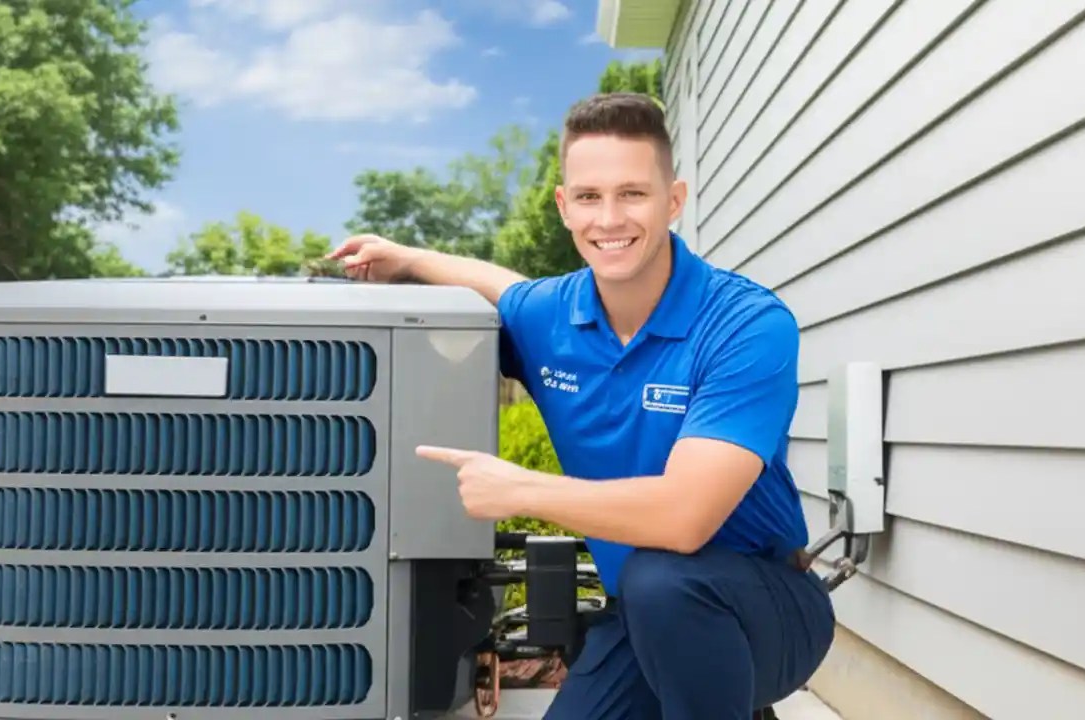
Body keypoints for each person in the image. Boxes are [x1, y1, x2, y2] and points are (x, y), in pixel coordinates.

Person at [327, 92, 835, 719]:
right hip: (643, 614)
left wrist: (521, 490)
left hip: (766, 606)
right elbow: (501, 286)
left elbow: (684, 518)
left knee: (663, 581)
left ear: (673, 201)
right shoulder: (553, 317)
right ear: (565, 207)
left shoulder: (745, 325)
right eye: (590, 197)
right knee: (650, 594)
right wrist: (406, 259)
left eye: (633, 194)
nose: (609, 219)